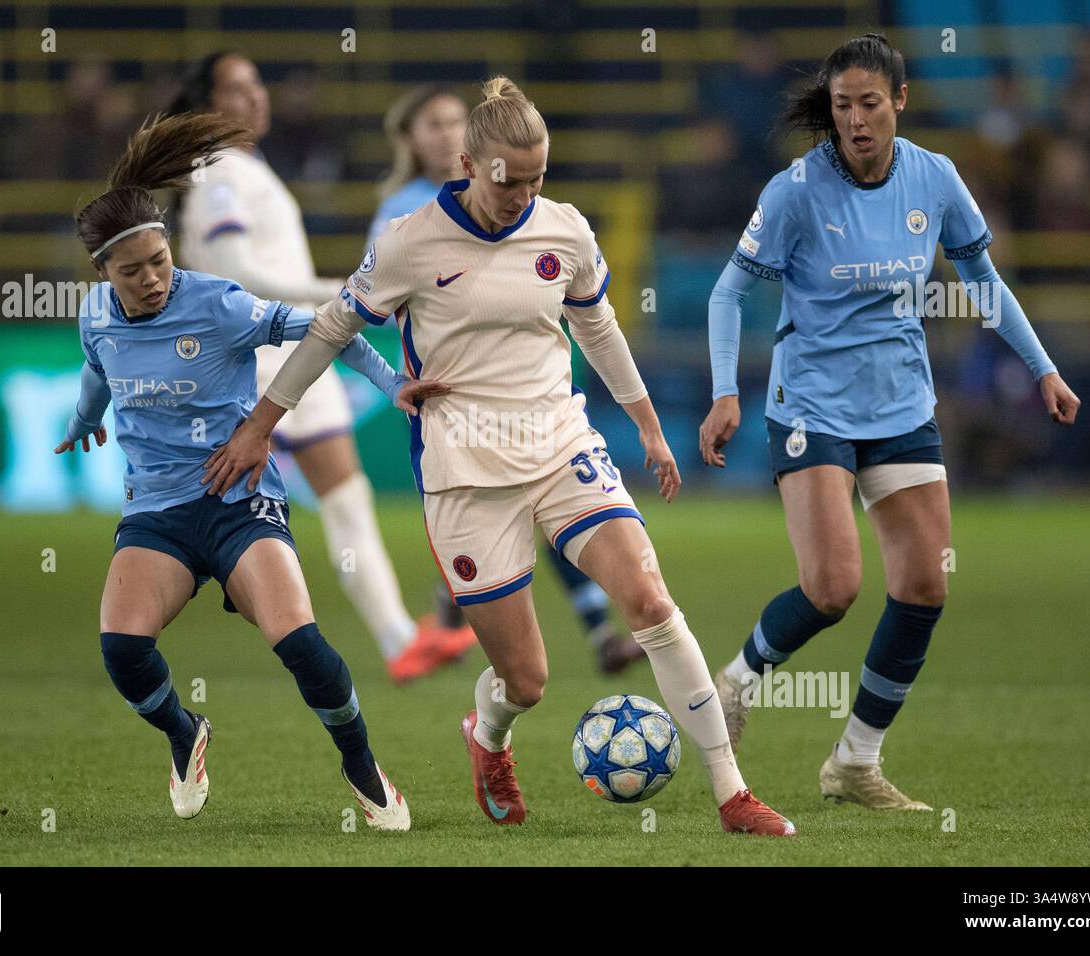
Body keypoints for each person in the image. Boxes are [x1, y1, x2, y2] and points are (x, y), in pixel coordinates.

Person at [205, 77, 796, 836]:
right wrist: (260, 425)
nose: (522, 193)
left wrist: (647, 426)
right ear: (468, 162)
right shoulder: (412, 241)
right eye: (507, 179)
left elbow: (599, 330)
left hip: (559, 445)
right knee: (526, 679)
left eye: (537, 178)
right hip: (464, 474)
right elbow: (328, 329)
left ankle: (731, 793)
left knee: (649, 599)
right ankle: (489, 737)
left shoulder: (565, 232)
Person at [699, 34, 1081, 810]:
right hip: (812, 405)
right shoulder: (795, 191)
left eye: (870, 104)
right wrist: (723, 391)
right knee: (835, 587)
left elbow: (983, 278)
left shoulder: (934, 179)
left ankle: (855, 763)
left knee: (923, 586)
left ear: (899, 101)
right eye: (843, 107)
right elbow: (726, 294)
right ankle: (735, 684)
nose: (857, 120)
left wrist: (1042, 367)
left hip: (902, 405)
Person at [59, 112, 443, 829]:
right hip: (158, 514)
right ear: (102, 273)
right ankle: (184, 732)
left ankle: (363, 769)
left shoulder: (220, 303)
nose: (150, 279)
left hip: (240, 502)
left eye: (158, 261)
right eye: (131, 269)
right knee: (123, 651)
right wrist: (84, 419)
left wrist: (392, 387)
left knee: (302, 647)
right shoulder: (95, 316)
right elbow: (94, 369)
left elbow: (332, 324)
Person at [170, 52, 474, 684]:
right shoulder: (218, 172)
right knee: (208, 506)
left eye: (258, 83)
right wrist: (328, 290)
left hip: (290, 348)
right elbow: (232, 273)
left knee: (345, 496)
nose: (255, 97)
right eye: (236, 89)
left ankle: (397, 640)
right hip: (246, 353)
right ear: (208, 104)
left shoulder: (246, 168)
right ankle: (141, 623)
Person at [371, 82, 646, 674]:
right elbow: (356, 311)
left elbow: (592, 321)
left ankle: (592, 631)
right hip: (454, 406)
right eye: (432, 125)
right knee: (507, 523)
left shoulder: (518, 198)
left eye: (453, 121)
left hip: (531, 400)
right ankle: (456, 616)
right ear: (412, 139)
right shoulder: (403, 218)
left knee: (552, 511)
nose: (444, 133)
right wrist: (390, 379)